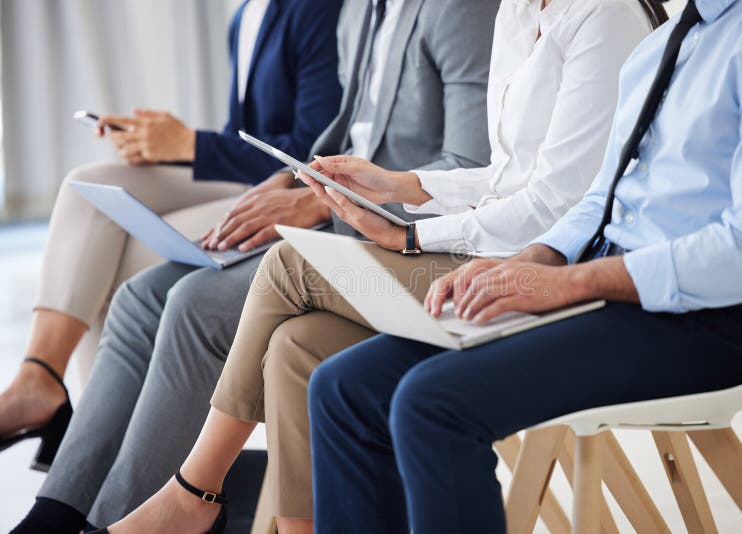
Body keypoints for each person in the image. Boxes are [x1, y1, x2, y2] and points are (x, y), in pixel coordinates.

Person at [100, 0, 666, 533]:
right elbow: (504, 177)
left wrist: (413, 235)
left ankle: (193, 494)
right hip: (493, 245)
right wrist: (404, 186)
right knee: (296, 347)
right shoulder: (519, 8)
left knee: (289, 266)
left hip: (548, 272)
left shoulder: (604, 14)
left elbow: (558, 206)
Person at [307, 0, 742, 532]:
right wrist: (526, 264)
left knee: (431, 404)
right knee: (344, 388)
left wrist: (570, 282)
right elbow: (598, 199)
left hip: (713, 318)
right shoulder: (669, 43)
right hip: (609, 287)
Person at [10, 0, 498, 532]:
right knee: (140, 297)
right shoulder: (362, 10)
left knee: (194, 305)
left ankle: (123, 519)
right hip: (339, 219)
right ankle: (58, 512)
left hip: (415, 242)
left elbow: (472, 171)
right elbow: (341, 141)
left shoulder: (459, 10)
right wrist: (291, 182)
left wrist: (319, 201)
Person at [0, 0, 343, 470]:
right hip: (247, 175)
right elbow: (240, 135)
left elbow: (312, 151)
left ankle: (104, 456)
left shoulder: (316, 10)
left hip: (293, 189)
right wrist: (162, 145)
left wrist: (189, 146)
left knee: (124, 256)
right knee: (89, 187)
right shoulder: (244, 16)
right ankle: (38, 378)